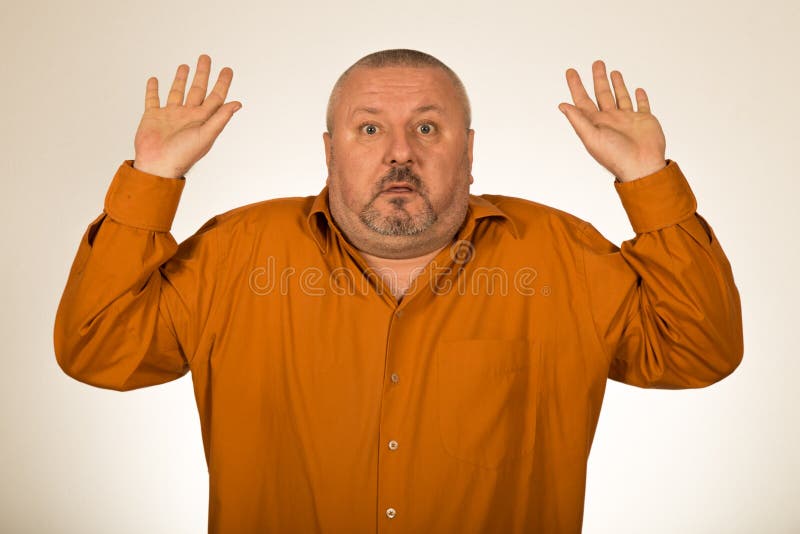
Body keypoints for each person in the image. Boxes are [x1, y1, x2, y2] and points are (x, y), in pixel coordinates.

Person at [53, 49, 744, 533]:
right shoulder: (235, 253)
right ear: (329, 150)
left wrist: (647, 181)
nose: (399, 153)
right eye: (369, 128)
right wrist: (153, 181)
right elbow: (96, 349)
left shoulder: (560, 253)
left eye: (426, 127)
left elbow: (700, 350)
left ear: (468, 150)